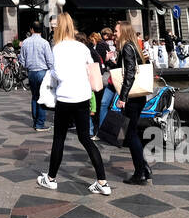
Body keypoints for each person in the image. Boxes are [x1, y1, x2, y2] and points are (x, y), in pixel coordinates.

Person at [36, 13, 110, 195]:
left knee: (59, 138)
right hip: (83, 96)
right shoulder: (82, 47)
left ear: (58, 28)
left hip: (65, 97)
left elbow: (58, 74)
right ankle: (102, 182)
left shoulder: (58, 48)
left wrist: (54, 74)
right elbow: (92, 67)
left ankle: (51, 178)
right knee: (85, 138)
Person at [111, 22, 152, 185]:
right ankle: (145, 168)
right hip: (137, 97)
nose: (114, 33)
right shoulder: (132, 46)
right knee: (132, 132)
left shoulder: (127, 47)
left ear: (123, 31)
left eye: (116, 31)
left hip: (132, 98)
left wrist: (123, 97)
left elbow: (130, 73)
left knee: (131, 134)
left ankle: (140, 172)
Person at [18, 21, 54, 132]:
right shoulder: (44, 43)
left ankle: (35, 121)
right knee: (42, 97)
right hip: (42, 71)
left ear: (31, 29)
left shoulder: (25, 42)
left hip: (31, 72)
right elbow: (50, 60)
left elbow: (22, 60)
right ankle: (40, 124)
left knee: (34, 97)